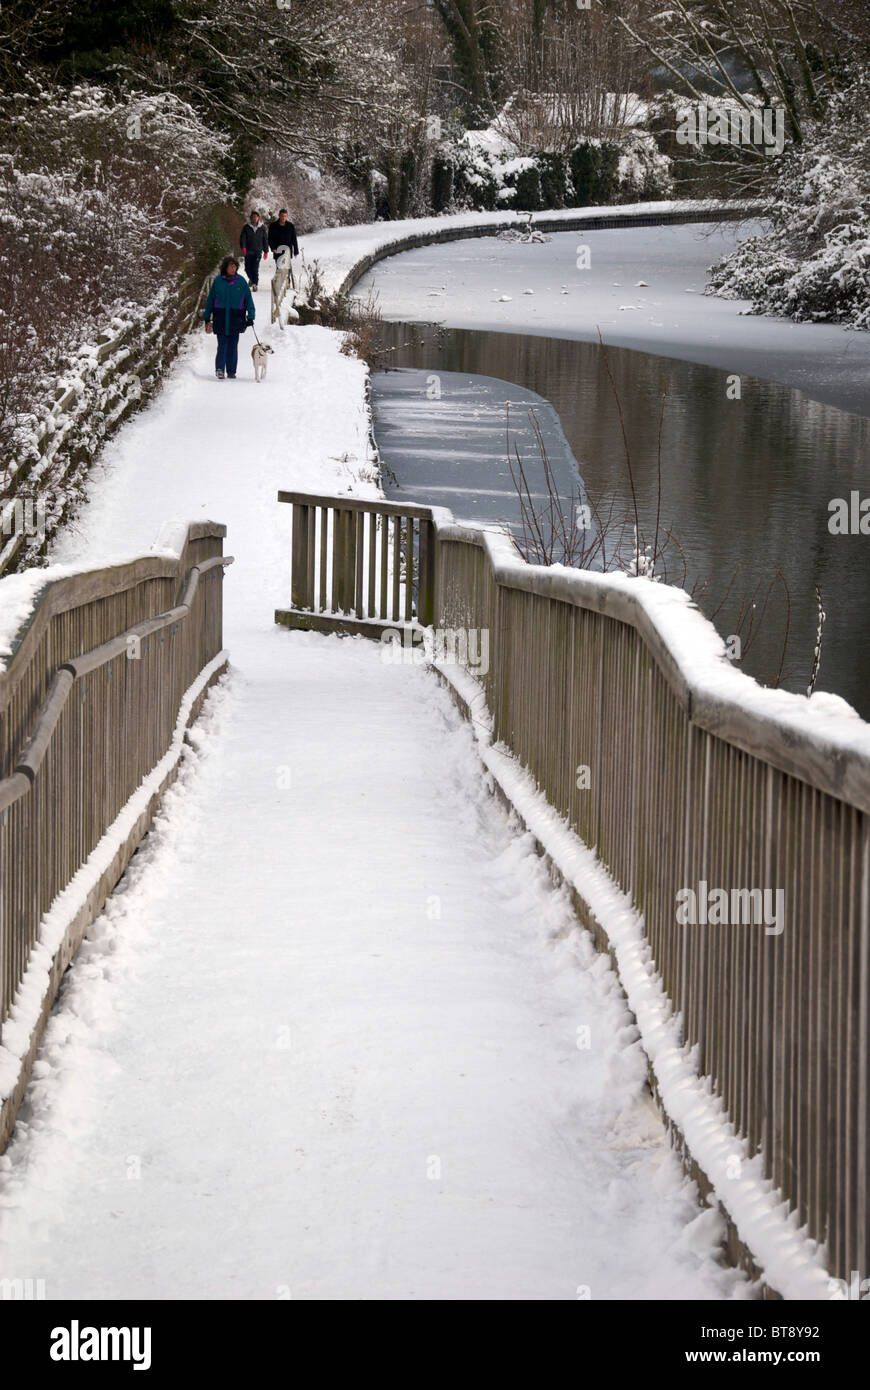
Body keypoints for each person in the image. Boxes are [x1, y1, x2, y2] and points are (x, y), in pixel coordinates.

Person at [201, 255, 255, 380]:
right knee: (222, 345)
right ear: (225, 267)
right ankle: (220, 369)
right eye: (231, 266)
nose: (233, 268)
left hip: (236, 318)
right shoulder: (218, 281)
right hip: (220, 317)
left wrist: (251, 316)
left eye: (235, 266)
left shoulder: (241, 282)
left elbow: (248, 299)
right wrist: (207, 317)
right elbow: (210, 300)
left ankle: (231, 371)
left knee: (233, 345)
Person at [239, 211, 268, 291]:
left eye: (256, 217)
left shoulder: (262, 228)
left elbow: (265, 239)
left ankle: (255, 284)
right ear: (251, 218)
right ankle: (252, 279)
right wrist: (243, 247)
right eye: (253, 217)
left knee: (255, 268)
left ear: (258, 218)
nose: (254, 218)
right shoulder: (246, 227)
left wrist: (266, 251)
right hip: (248, 251)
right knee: (247, 268)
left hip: (258, 251)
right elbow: (243, 238)